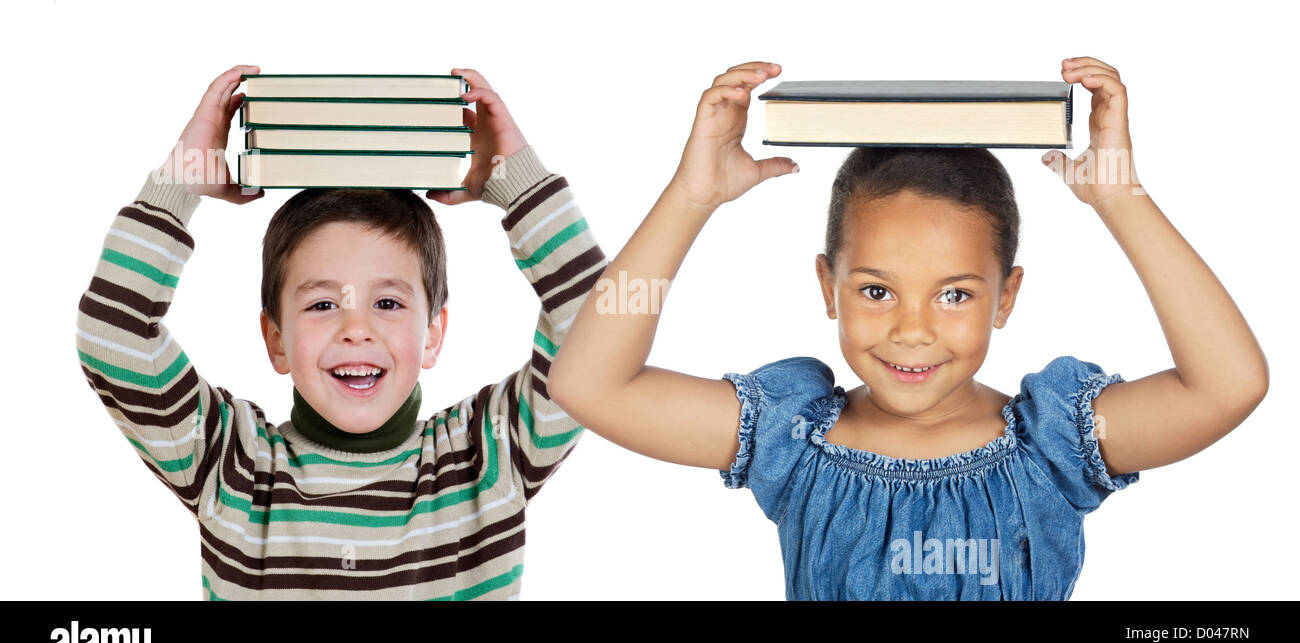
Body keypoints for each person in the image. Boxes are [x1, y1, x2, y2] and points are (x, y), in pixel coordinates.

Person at [547, 58, 1269, 599]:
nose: (912, 329)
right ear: (828, 287)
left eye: (954, 293)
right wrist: (689, 197)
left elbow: (1229, 383)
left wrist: (1121, 197)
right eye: (876, 290)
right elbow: (590, 383)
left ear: (1006, 297)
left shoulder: (1053, 446)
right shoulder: (795, 439)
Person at [75, 65, 605, 600]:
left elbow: (601, 332)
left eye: (388, 302)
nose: (357, 329)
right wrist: (183, 177)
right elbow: (112, 329)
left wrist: (518, 182)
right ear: (276, 338)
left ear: (432, 335)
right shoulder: (232, 467)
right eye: (324, 303)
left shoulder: (488, 456)